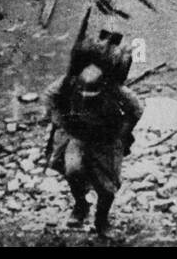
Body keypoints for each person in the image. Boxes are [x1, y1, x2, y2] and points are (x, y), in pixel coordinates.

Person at [46, 59, 144, 236]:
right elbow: (50, 96)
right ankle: (81, 205)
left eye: (91, 94)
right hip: (79, 135)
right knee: (72, 171)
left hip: (105, 138)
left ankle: (102, 221)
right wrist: (62, 122)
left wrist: (122, 133)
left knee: (107, 187)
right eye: (82, 92)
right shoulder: (67, 83)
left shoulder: (115, 89)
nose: (85, 97)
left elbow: (136, 109)